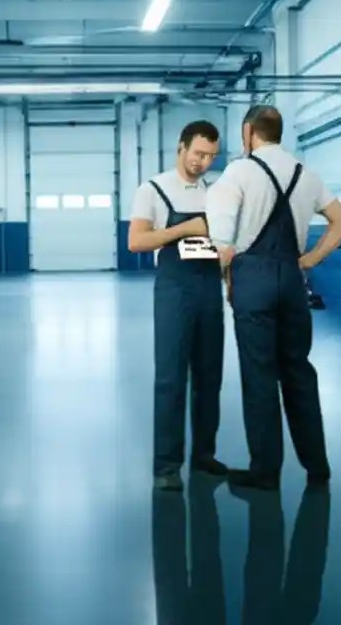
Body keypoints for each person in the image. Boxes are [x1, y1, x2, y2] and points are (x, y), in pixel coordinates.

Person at [205, 104, 341, 491]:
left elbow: (222, 245)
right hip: (292, 280)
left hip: (252, 279)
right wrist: (312, 259)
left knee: (260, 375)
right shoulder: (306, 173)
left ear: (248, 131)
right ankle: (317, 466)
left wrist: (227, 279)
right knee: (298, 371)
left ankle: (265, 471)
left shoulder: (237, 172)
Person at [129, 120, 228, 491]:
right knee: (171, 377)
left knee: (209, 377)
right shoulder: (152, 189)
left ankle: (204, 456)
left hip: (209, 287)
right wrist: (183, 230)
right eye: (199, 153)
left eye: (211, 157)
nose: (204, 161)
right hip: (173, 290)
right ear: (181, 148)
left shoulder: (215, 194)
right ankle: (167, 465)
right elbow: (136, 241)